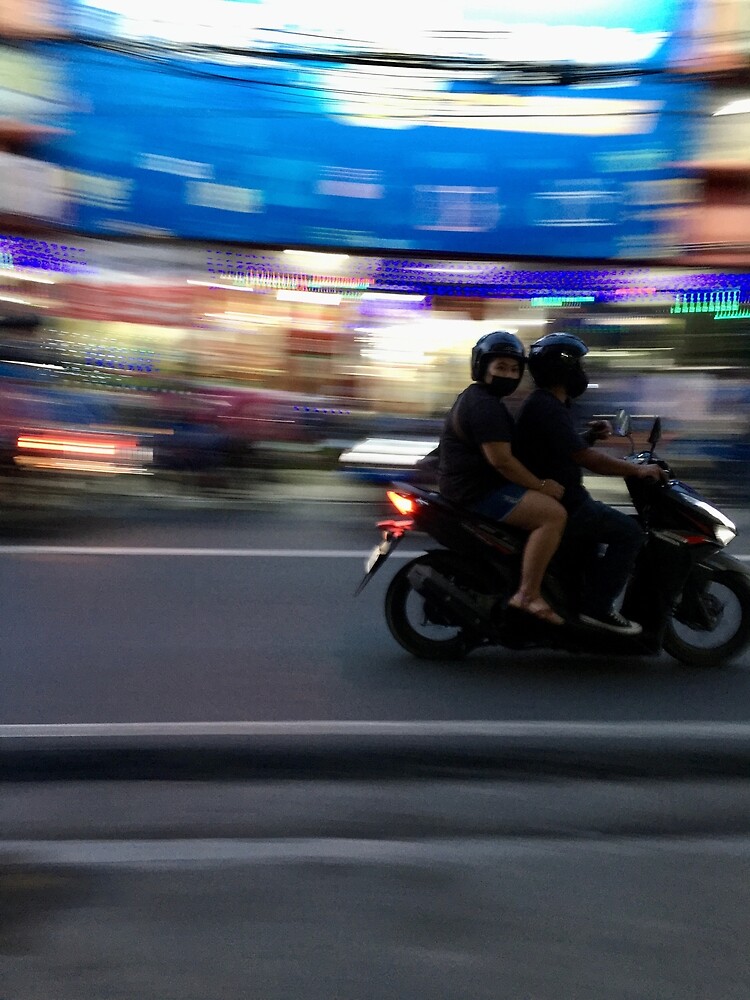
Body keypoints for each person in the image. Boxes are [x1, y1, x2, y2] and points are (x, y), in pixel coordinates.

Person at [513, 332, 665, 636]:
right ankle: (597, 606)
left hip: (565, 497)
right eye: (579, 367)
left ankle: (578, 595)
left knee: (600, 536)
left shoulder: (550, 404)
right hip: (564, 503)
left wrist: (590, 436)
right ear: (563, 370)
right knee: (630, 533)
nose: (583, 374)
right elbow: (586, 459)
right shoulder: (546, 406)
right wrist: (636, 471)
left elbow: (562, 447)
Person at [438, 331, 568, 626]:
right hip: (477, 490)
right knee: (553, 516)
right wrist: (541, 486)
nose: (508, 375)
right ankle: (528, 594)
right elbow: (502, 462)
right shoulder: (484, 406)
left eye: (514, 369)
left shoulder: (483, 399)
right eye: (500, 368)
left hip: (470, 484)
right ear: (482, 368)